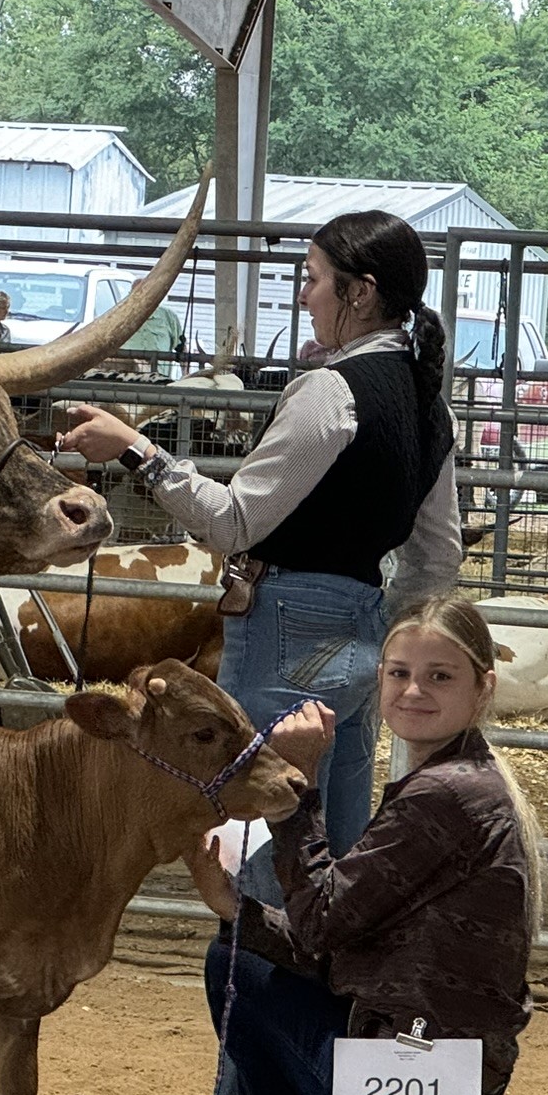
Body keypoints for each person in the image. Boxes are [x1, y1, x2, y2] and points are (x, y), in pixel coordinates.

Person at [133, 597, 539, 1095]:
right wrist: (237, 911)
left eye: (440, 676)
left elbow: (323, 926)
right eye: (399, 673)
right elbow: (347, 947)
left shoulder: (446, 797)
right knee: (237, 959)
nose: (414, 691)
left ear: (483, 687)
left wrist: (298, 791)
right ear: (379, 680)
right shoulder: (451, 781)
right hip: (406, 1072)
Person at [59, 210, 462, 854]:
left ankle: (258, 926)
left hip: (285, 627)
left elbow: (232, 522)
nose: (303, 296)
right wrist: (386, 629)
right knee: (333, 836)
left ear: (359, 293)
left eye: (313, 279)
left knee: (260, 833)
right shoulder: (429, 403)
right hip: (367, 627)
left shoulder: (330, 392)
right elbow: (438, 554)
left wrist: (137, 450)